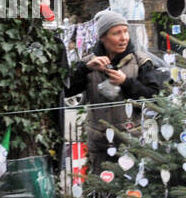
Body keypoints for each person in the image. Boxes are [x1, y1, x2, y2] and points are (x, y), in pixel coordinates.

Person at [66, 9, 168, 174]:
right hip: (100, 146)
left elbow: (153, 98)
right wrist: (84, 69)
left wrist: (126, 82)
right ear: (103, 38)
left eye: (126, 32)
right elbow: (67, 91)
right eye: (116, 33)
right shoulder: (89, 63)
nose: (124, 38)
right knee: (102, 195)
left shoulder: (141, 62)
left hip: (132, 145)